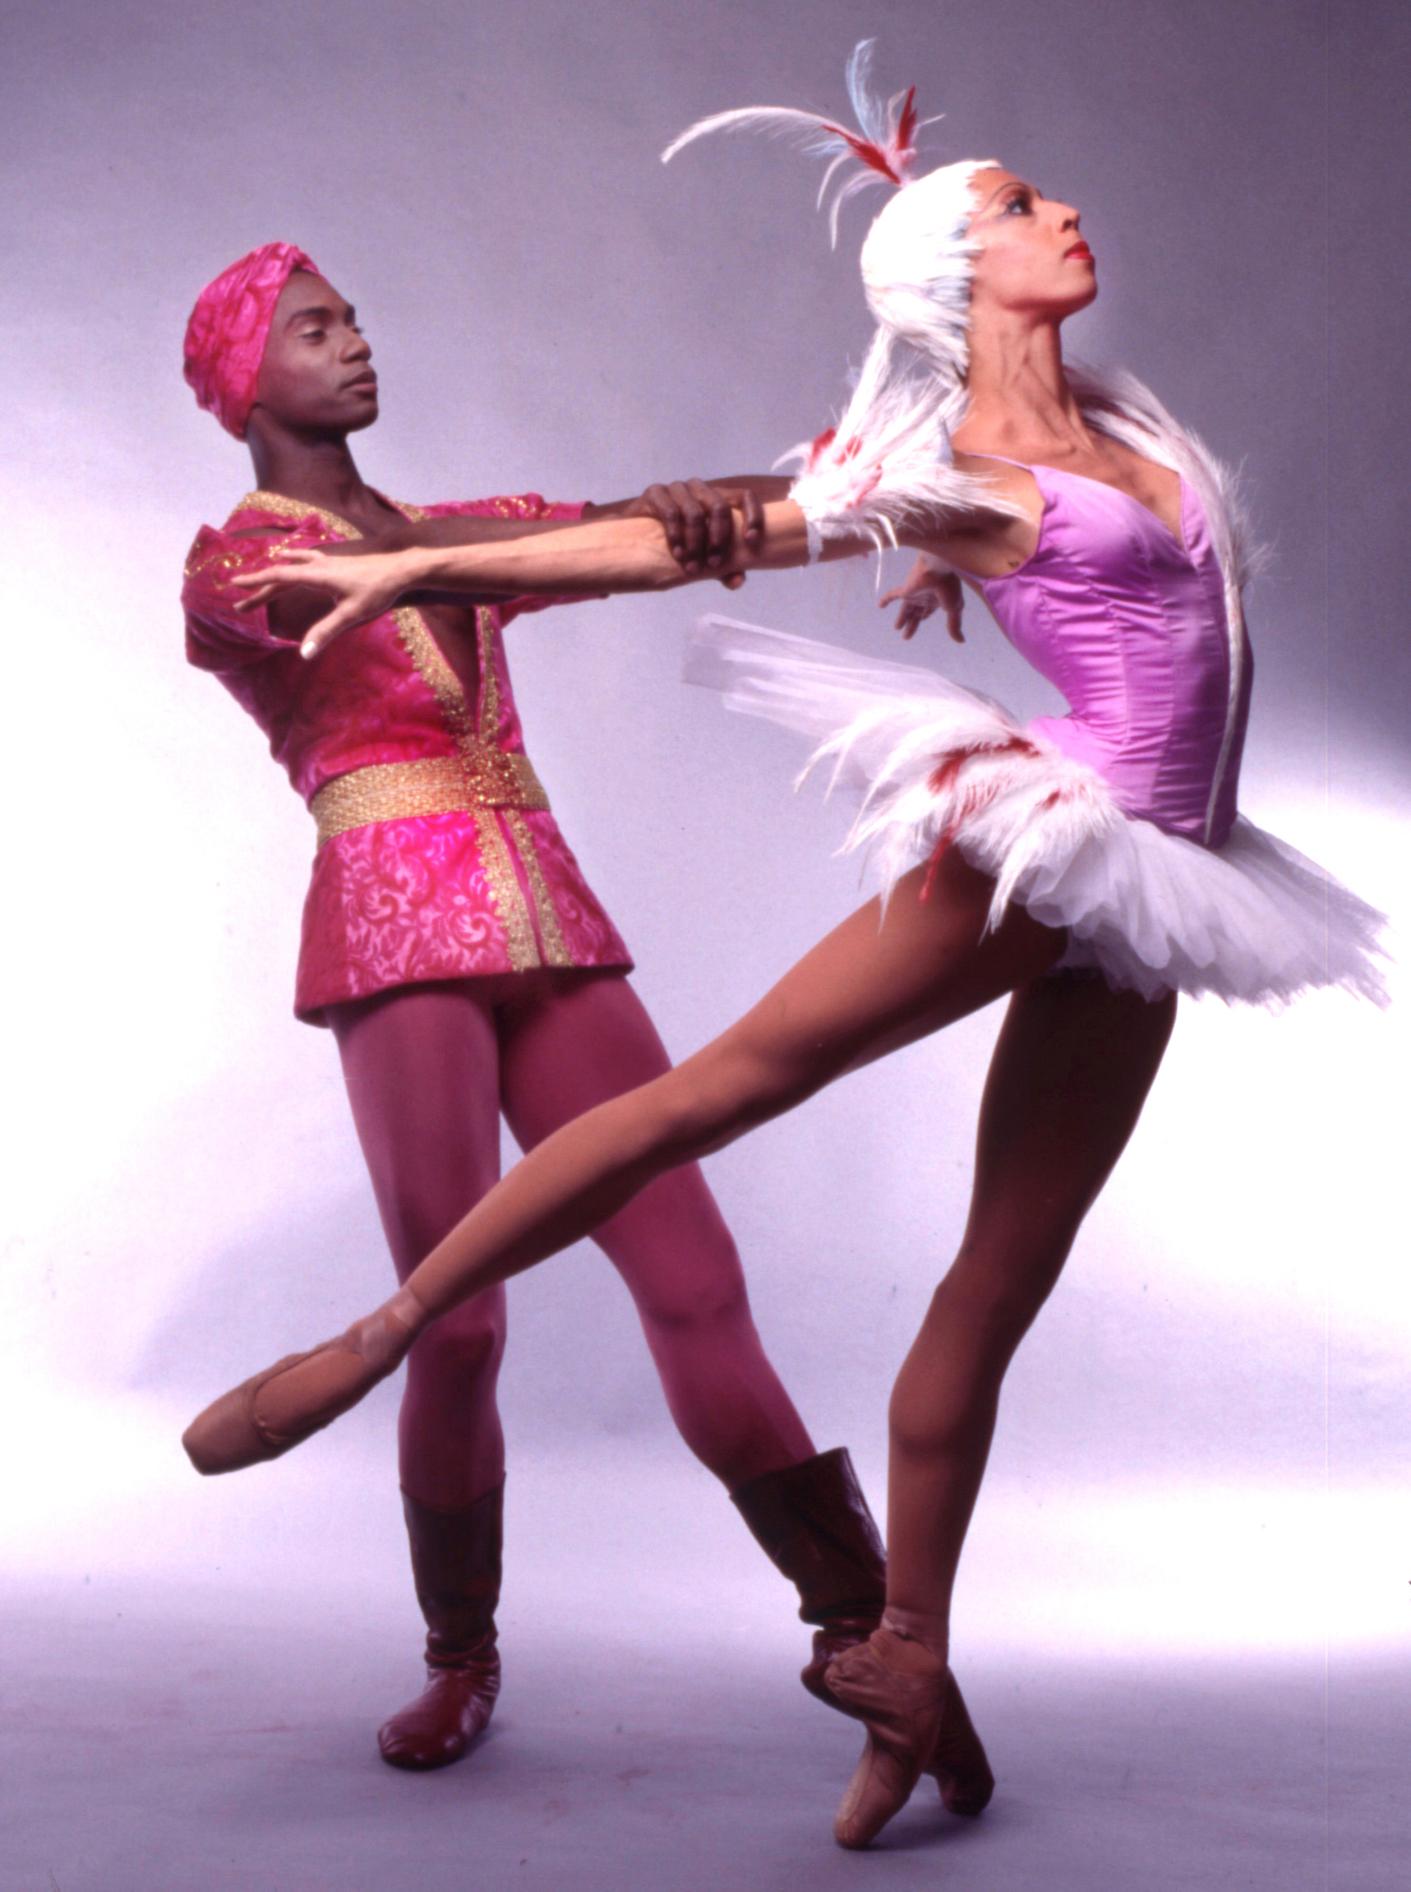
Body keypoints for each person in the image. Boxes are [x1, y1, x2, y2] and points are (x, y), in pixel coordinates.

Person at [184, 45, 1386, 1850]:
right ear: (956, 279)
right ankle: (392, 1360)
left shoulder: (1104, 423)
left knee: (964, 1285)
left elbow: (725, 501)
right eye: (1014, 205)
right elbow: (684, 548)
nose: (1060, 208)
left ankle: (896, 1658)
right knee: (697, 1113)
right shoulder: (970, 477)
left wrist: (862, 497)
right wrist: (403, 569)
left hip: (1154, 878)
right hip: (943, 855)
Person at [179, 239, 925, 1779]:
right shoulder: (233, 564)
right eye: (317, 328)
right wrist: (611, 524)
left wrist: (745, 503)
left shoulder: (447, 529)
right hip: (397, 933)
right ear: (243, 379)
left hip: (546, 914)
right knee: (456, 1324)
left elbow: (602, 533)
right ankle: (460, 1657)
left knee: (697, 1279)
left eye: (358, 313)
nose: (356, 340)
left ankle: (864, 1626)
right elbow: (503, 550)